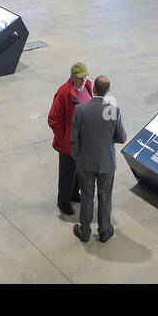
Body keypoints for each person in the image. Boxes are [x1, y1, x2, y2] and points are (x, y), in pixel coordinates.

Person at [70, 75, 126, 244]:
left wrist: (77, 157)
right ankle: (104, 231)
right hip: (106, 163)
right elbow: (121, 137)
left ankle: (85, 231)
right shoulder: (112, 111)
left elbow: (74, 139)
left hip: (85, 162)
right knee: (105, 197)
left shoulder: (81, 109)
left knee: (87, 196)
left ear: (93, 89)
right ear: (107, 91)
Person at [48, 63, 93, 216]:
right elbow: (53, 119)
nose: (84, 80)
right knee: (67, 174)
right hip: (69, 144)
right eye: (80, 78)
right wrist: (63, 139)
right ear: (72, 77)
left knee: (79, 170)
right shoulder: (63, 93)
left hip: (84, 141)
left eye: (85, 76)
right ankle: (64, 202)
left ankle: (74, 194)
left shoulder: (87, 86)